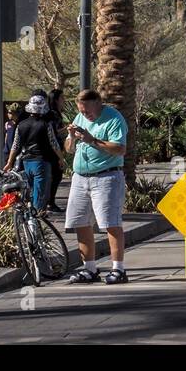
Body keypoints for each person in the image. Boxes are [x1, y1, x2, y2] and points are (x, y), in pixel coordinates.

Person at [65, 89, 130, 285]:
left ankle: (118, 269)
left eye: (88, 112)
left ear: (99, 103)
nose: (85, 115)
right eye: (81, 112)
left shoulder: (114, 119)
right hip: (80, 177)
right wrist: (72, 138)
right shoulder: (80, 117)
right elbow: (68, 150)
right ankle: (89, 268)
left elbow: (120, 149)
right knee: (80, 222)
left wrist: (91, 140)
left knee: (110, 223)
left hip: (106, 176)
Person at [2, 91, 63, 213]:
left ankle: (30, 218)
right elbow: (54, 143)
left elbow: (15, 145)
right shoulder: (45, 124)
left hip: (26, 162)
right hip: (41, 162)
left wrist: (9, 162)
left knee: (30, 190)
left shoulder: (21, 125)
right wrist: (61, 158)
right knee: (40, 194)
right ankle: (36, 221)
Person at [45, 89, 67, 211]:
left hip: (56, 148)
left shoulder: (53, 113)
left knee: (55, 176)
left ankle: (50, 201)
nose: (64, 100)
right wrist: (67, 129)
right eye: (62, 98)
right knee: (56, 176)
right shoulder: (53, 114)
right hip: (54, 150)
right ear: (57, 99)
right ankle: (50, 202)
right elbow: (53, 133)